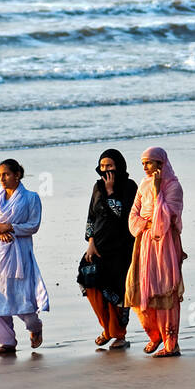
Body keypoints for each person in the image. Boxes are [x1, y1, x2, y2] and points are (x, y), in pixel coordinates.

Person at [0, 158, 49, 356]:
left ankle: (35, 327)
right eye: (0, 175)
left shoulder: (31, 198)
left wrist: (10, 227)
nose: (2, 178)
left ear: (17, 175)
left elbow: (33, 225)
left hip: (19, 253)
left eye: (6, 174)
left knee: (23, 296)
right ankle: (7, 342)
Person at [126, 146, 186, 357]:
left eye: (148, 162)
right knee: (138, 288)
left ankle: (171, 344)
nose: (144, 167)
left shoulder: (173, 187)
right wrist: (146, 223)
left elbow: (167, 221)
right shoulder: (143, 184)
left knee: (164, 287)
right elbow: (133, 214)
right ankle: (155, 333)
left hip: (165, 245)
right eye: (142, 163)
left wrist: (158, 190)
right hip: (144, 242)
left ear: (160, 164)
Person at [77, 148, 139, 350]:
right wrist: (90, 242)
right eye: (102, 166)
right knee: (91, 283)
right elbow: (91, 216)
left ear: (119, 166)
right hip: (99, 246)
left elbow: (125, 215)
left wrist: (111, 192)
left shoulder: (129, 187)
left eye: (109, 166)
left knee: (117, 290)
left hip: (121, 247)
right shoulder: (97, 186)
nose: (105, 171)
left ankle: (119, 335)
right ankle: (107, 329)